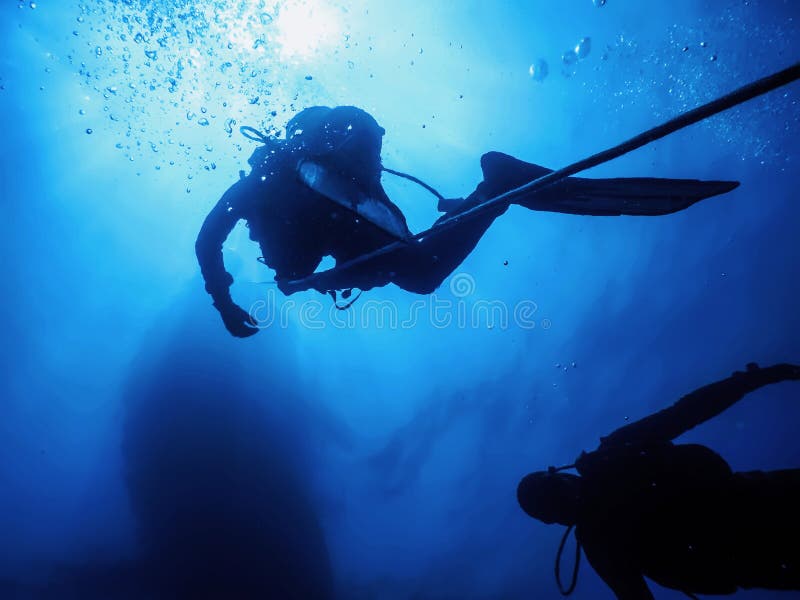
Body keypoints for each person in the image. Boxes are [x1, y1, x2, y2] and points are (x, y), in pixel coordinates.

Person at [196, 106, 739, 337]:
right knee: (414, 270)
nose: (260, 250)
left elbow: (207, 240)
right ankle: (489, 191)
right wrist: (314, 281)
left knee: (419, 274)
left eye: (256, 244)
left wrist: (224, 302)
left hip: (370, 218)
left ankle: (495, 185)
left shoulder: (259, 191)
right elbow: (366, 254)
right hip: (371, 215)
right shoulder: (299, 200)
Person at [516, 362, 800, 600]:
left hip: (755, 552)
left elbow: (686, 413)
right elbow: (686, 412)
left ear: (554, 518)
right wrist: (756, 378)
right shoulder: (613, 457)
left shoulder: (599, 543)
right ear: (561, 475)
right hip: (762, 501)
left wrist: (757, 378)